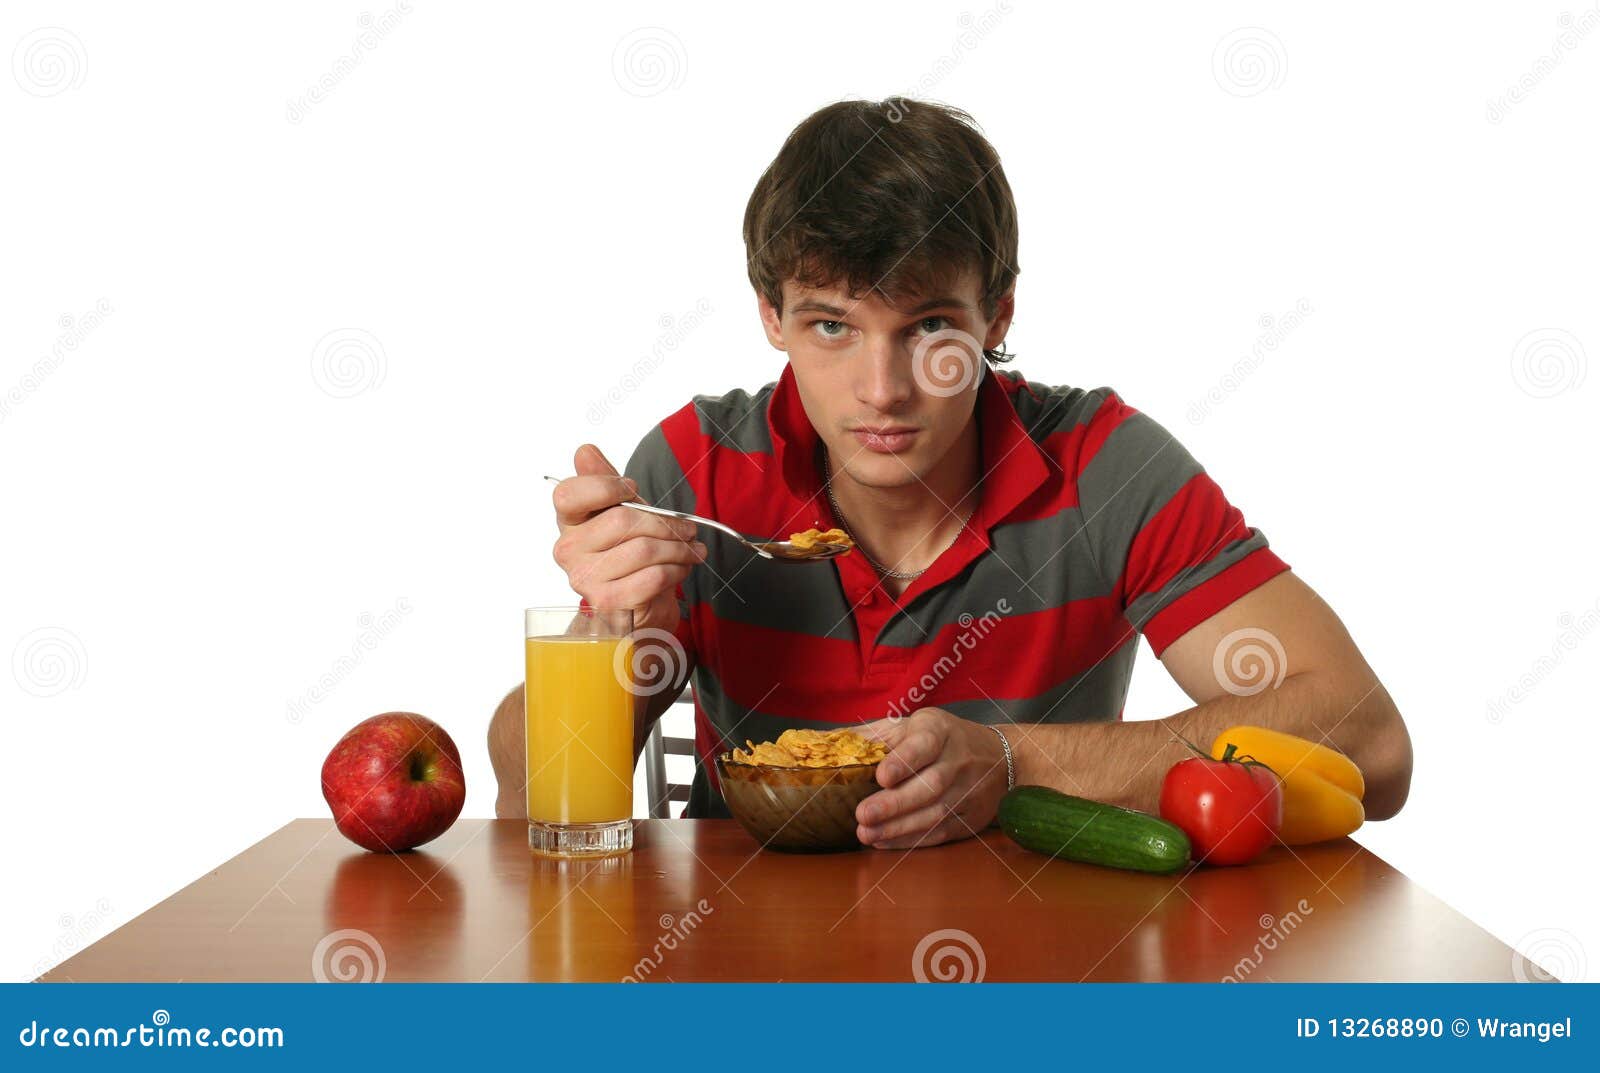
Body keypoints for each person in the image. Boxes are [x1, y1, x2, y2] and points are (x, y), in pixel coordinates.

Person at [489, 99, 1411, 848]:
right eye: (832, 326)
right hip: (743, 965)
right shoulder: (696, 468)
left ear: (996, 314)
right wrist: (610, 631)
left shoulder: (1105, 468)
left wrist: (1011, 764)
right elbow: (533, 798)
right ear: (771, 315)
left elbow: (1370, 743)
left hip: (1036, 962)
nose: (883, 390)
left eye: (929, 327)